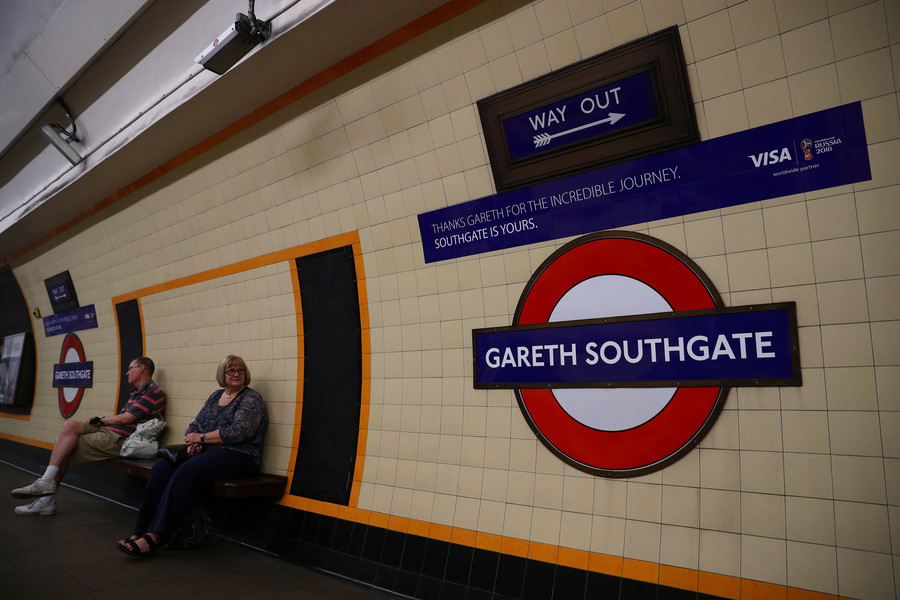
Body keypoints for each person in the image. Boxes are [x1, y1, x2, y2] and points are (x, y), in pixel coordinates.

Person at [116, 355, 267, 558]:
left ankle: (155, 537)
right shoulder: (216, 396)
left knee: (187, 471)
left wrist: (202, 438)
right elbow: (195, 424)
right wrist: (194, 438)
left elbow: (239, 431)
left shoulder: (251, 398)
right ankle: (140, 531)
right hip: (210, 451)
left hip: (239, 455)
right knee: (161, 468)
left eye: (240, 370)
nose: (236, 374)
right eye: (231, 370)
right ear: (222, 374)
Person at [12, 356, 166, 516]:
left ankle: (46, 498)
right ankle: (46, 484)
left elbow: (126, 418)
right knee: (69, 426)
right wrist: (102, 422)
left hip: (121, 440)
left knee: (65, 446)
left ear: (141, 369)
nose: (127, 373)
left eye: (130, 368)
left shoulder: (153, 391)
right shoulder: (137, 393)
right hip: (111, 431)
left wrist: (102, 420)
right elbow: (124, 418)